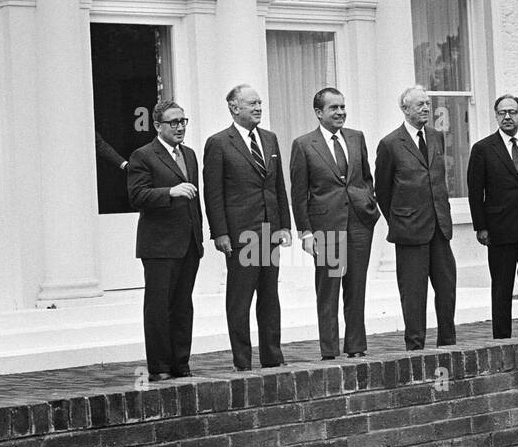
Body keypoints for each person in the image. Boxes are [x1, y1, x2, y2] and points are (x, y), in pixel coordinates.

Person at [203, 84, 292, 371]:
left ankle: (272, 357)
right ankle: (242, 360)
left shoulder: (270, 139)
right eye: (252, 103)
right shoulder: (219, 143)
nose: (258, 108)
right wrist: (220, 233)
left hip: (269, 232)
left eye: (260, 103)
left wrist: (284, 226)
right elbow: (213, 192)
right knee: (240, 300)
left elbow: (278, 186)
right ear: (234, 107)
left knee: (270, 298)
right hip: (241, 235)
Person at [289, 88, 380, 360]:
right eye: (334, 108)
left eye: (342, 106)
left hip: (359, 224)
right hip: (326, 229)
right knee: (328, 290)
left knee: (357, 287)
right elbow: (299, 193)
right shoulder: (304, 145)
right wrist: (305, 232)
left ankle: (356, 346)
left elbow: (366, 177)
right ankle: (329, 349)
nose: (340, 112)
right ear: (319, 113)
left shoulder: (356, 137)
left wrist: (369, 205)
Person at [375, 86, 457, 351]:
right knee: (413, 293)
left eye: (427, 104)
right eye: (419, 104)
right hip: (410, 230)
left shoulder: (435, 137)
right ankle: (415, 346)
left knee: (446, 289)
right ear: (405, 109)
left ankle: (448, 343)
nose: (425, 108)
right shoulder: (390, 144)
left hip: (439, 227)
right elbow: (383, 191)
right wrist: (400, 220)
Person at [127, 101, 203, 382]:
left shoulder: (190, 155)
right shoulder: (143, 156)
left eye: (184, 121)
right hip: (159, 245)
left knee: (183, 304)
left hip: (188, 243)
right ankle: (159, 366)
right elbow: (137, 196)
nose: (181, 126)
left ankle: (181, 363)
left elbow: (196, 199)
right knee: (159, 306)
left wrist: (200, 236)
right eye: (174, 122)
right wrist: (170, 191)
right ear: (158, 126)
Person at [467, 94, 518, 338]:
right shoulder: (483, 149)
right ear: (496, 116)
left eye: (512, 112)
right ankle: (502, 338)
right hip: (499, 228)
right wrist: (481, 227)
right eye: (502, 112)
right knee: (502, 286)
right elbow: (475, 191)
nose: (507, 117)